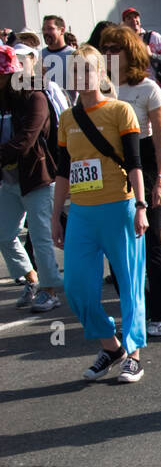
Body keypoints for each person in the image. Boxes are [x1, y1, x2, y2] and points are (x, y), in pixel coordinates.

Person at [50, 45, 148, 382]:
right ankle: (111, 346)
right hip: (81, 213)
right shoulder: (66, 118)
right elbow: (64, 170)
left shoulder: (121, 111)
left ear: (102, 75)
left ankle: (133, 354)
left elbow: (135, 163)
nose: (80, 77)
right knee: (76, 287)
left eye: (87, 70)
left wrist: (141, 206)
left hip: (120, 208)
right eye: (74, 71)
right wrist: (55, 216)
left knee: (129, 283)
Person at [99, 26, 161, 335]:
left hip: (143, 163)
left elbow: (160, 141)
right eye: (105, 47)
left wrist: (159, 179)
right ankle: (138, 309)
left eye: (115, 47)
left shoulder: (147, 89)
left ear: (130, 52)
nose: (108, 53)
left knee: (151, 242)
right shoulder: (99, 88)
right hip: (110, 168)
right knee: (115, 247)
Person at [0, 45, 61, 314]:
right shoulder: (3, 99)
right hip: (7, 180)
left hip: (37, 178)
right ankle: (30, 277)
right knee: (4, 234)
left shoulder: (35, 97)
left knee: (40, 237)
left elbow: (26, 141)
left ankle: (49, 291)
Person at [40, 15, 78, 97]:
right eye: (44, 29)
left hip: (70, 107)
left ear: (62, 30)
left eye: (50, 29)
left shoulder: (74, 55)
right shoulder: (39, 56)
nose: (46, 32)